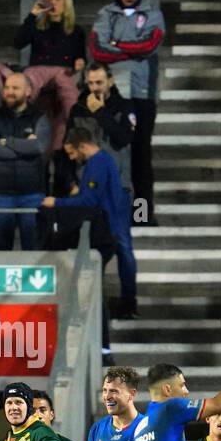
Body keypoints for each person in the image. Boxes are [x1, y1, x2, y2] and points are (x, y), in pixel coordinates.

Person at [89, 0, 164, 225]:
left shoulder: (152, 12)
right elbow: (97, 48)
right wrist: (130, 51)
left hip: (143, 94)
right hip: (114, 94)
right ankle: (110, 214)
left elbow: (150, 45)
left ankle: (142, 215)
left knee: (141, 158)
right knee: (112, 153)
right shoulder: (106, 13)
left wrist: (117, 44)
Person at [45, 128, 137, 321]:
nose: (71, 158)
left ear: (83, 146)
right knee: (91, 280)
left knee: (90, 281)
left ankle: (95, 321)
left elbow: (90, 201)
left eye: (72, 153)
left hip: (107, 229)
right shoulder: (100, 162)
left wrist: (57, 202)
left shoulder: (98, 164)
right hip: (107, 226)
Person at [0, 0, 84, 168]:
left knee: (60, 136)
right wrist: (33, 14)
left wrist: (80, 62)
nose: (52, 3)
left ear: (66, 3)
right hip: (40, 79)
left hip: (62, 78)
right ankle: (18, 110)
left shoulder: (76, 31)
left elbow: (80, 56)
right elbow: (18, 42)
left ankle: (77, 121)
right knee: (32, 75)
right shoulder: (37, 27)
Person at [0, 72, 49, 252]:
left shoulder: (39, 118)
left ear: (28, 91)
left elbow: (39, 148)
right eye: (7, 88)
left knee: (33, 250)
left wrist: (8, 142)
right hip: (0, 195)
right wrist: (25, 147)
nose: (9, 92)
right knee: (0, 252)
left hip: (32, 195)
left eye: (15, 88)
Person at [64, 62, 135, 198]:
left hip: (117, 184)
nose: (94, 88)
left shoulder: (125, 106)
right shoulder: (78, 109)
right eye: (90, 83)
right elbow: (68, 147)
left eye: (99, 83)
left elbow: (124, 139)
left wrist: (99, 111)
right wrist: (71, 183)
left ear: (110, 81)